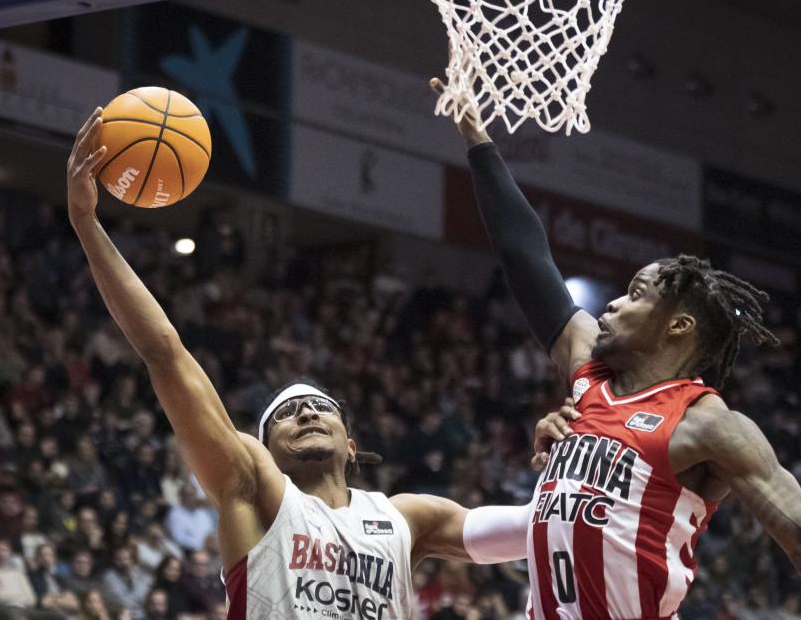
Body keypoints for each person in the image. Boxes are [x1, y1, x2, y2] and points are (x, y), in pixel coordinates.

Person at [66, 110, 558, 618]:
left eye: (320, 407)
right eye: (286, 413)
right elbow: (165, 353)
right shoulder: (253, 484)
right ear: (265, 449)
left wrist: (573, 454)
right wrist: (86, 223)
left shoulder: (404, 517)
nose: (305, 413)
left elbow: (536, 527)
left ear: (351, 445)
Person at [433, 77, 801, 620]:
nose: (611, 305)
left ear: (679, 326)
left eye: (635, 295)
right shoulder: (588, 369)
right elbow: (526, 256)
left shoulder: (708, 425)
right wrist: (478, 141)